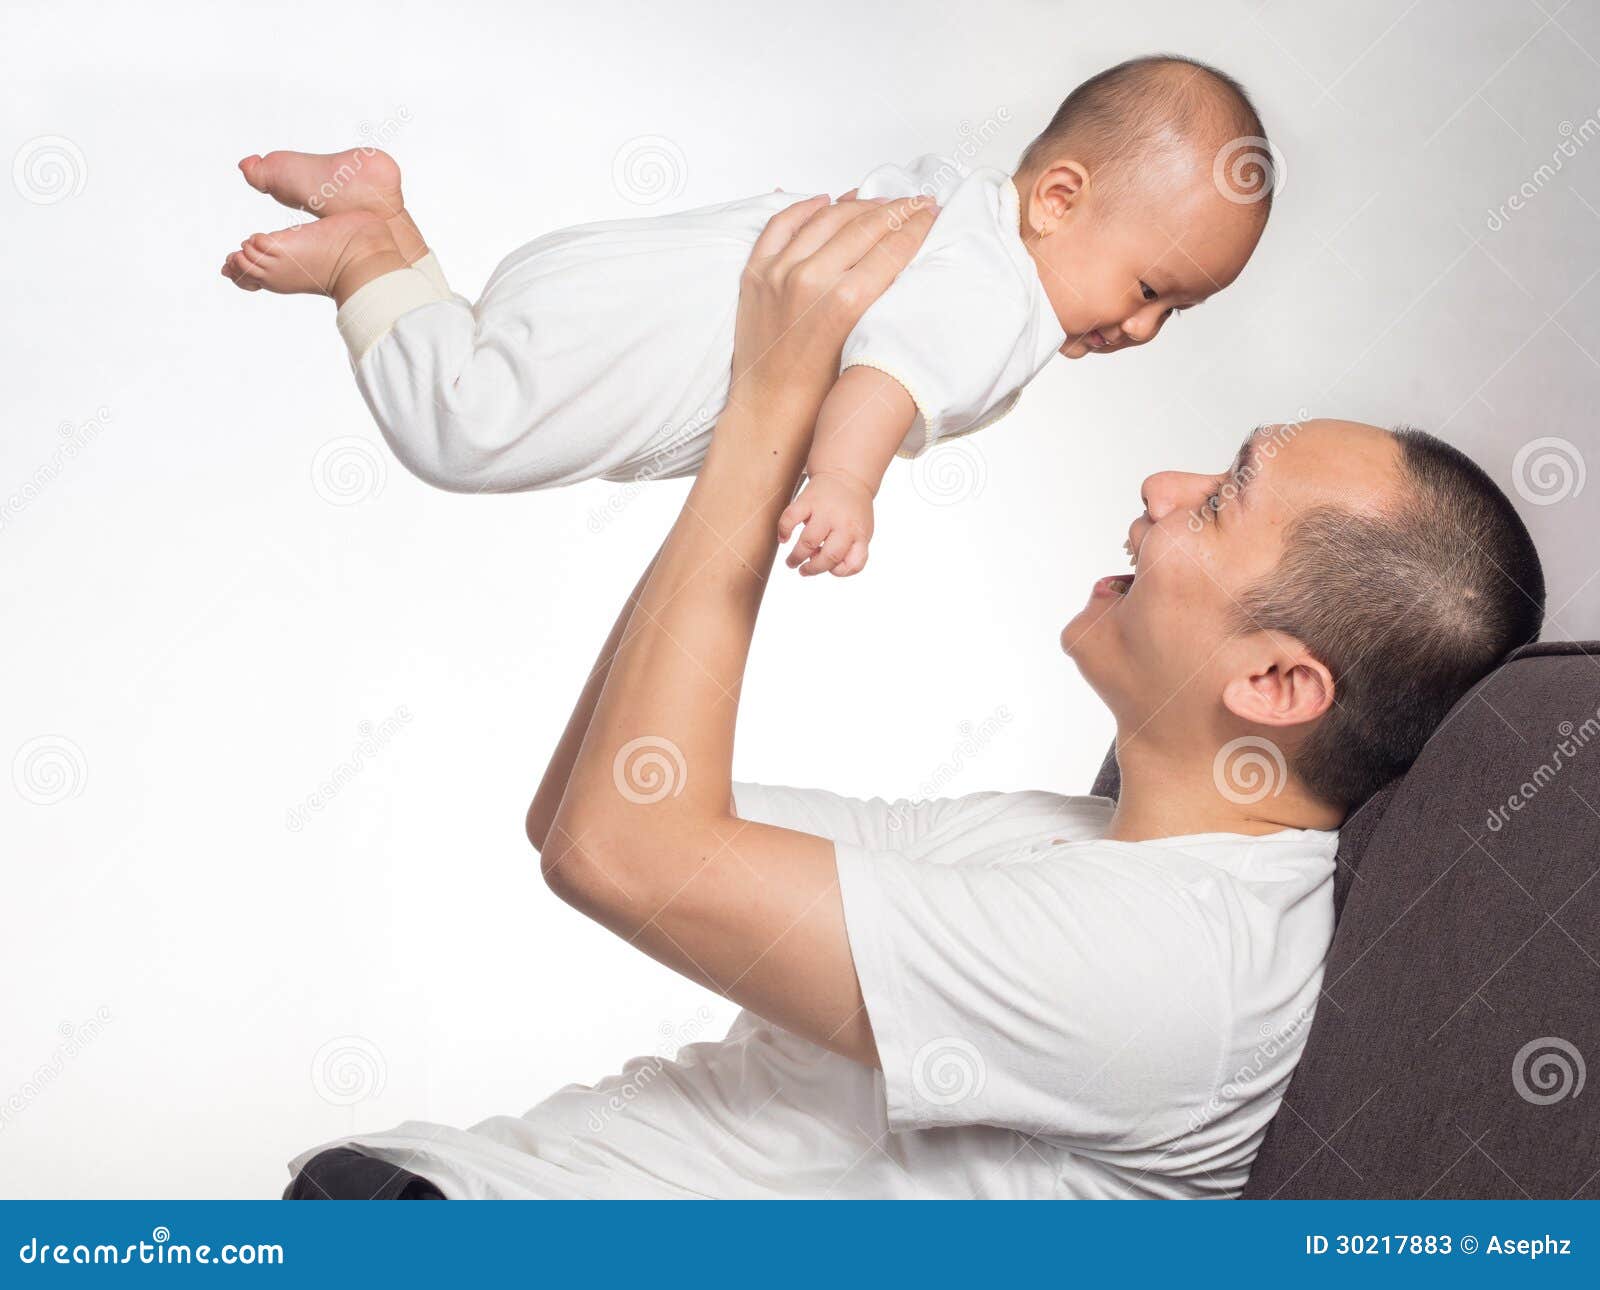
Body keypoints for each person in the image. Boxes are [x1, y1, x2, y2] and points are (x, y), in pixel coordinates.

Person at [284, 191, 1545, 1201]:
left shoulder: (1175, 973)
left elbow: (621, 847)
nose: (1164, 482)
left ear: (1275, 681)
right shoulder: (1065, 843)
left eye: (1220, 499)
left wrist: (776, 403)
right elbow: (595, 809)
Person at [223, 56, 1272, 577]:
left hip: (626, 277)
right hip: (669, 347)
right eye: (1147, 290)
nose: (1141, 331)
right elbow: (885, 377)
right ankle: (363, 254)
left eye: (1176, 312)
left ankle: (385, 224)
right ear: (1059, 200)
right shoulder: (1005, 303)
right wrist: (846, 486)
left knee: (476, 370)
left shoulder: (963, 206)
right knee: (463, 429)